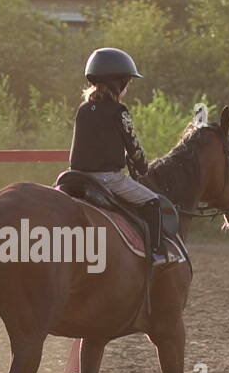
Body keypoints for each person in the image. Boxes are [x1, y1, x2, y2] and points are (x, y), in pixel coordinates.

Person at [68, 47, 169, 265]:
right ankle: (157, 253)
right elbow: (134, 147)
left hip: (74, 176)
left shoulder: (83, 109)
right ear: (118, 82)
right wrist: (142, 168)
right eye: (127, 82)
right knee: (152, 202)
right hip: (106, 178)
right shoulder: (119, 111)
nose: (127, 87)